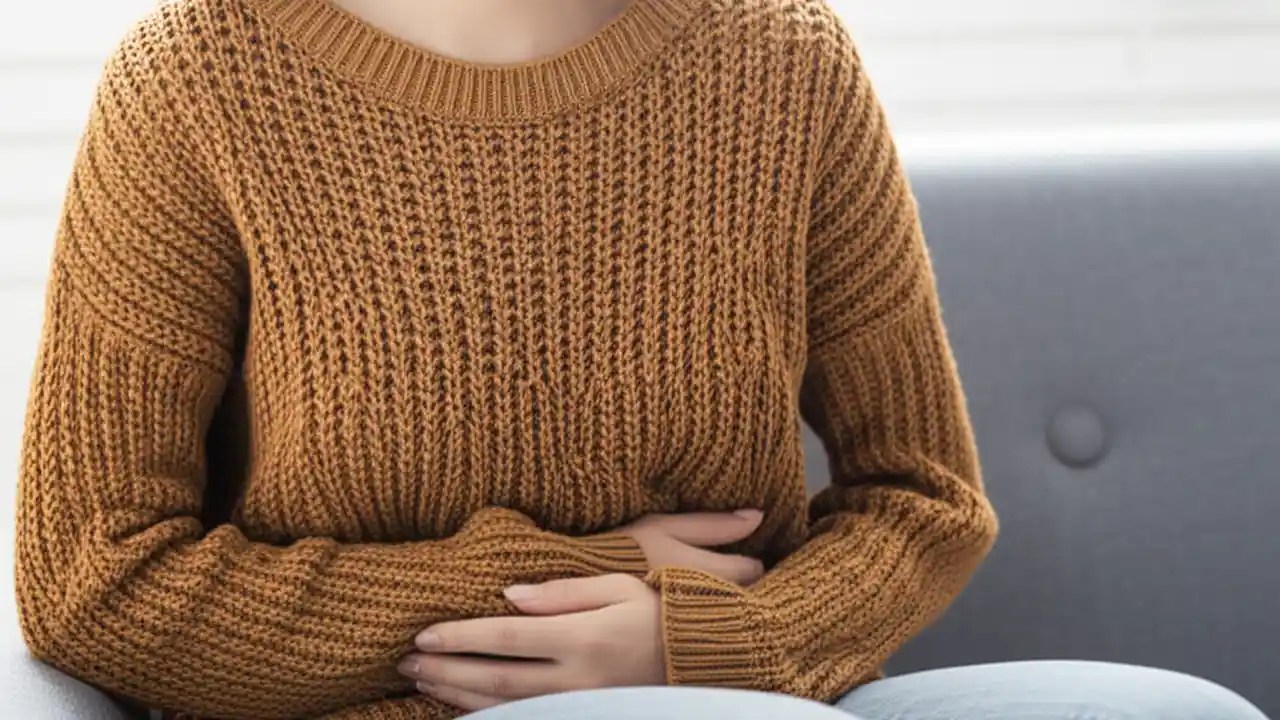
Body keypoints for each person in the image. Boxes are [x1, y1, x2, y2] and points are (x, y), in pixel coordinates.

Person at [11, 0, 1268, 718]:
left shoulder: (782, 66)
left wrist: (721, 642)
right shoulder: (192, 88)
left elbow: (923, 503)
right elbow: (89, 579)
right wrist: (564, 586)